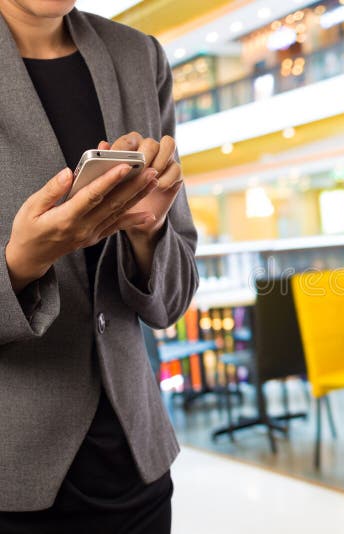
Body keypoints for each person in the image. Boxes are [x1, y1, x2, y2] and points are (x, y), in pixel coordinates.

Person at [0, 1, 198, 533]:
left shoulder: (138, 56)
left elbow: (172, 301)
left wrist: (148, 231)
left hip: (135, 466)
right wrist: (22, 263)